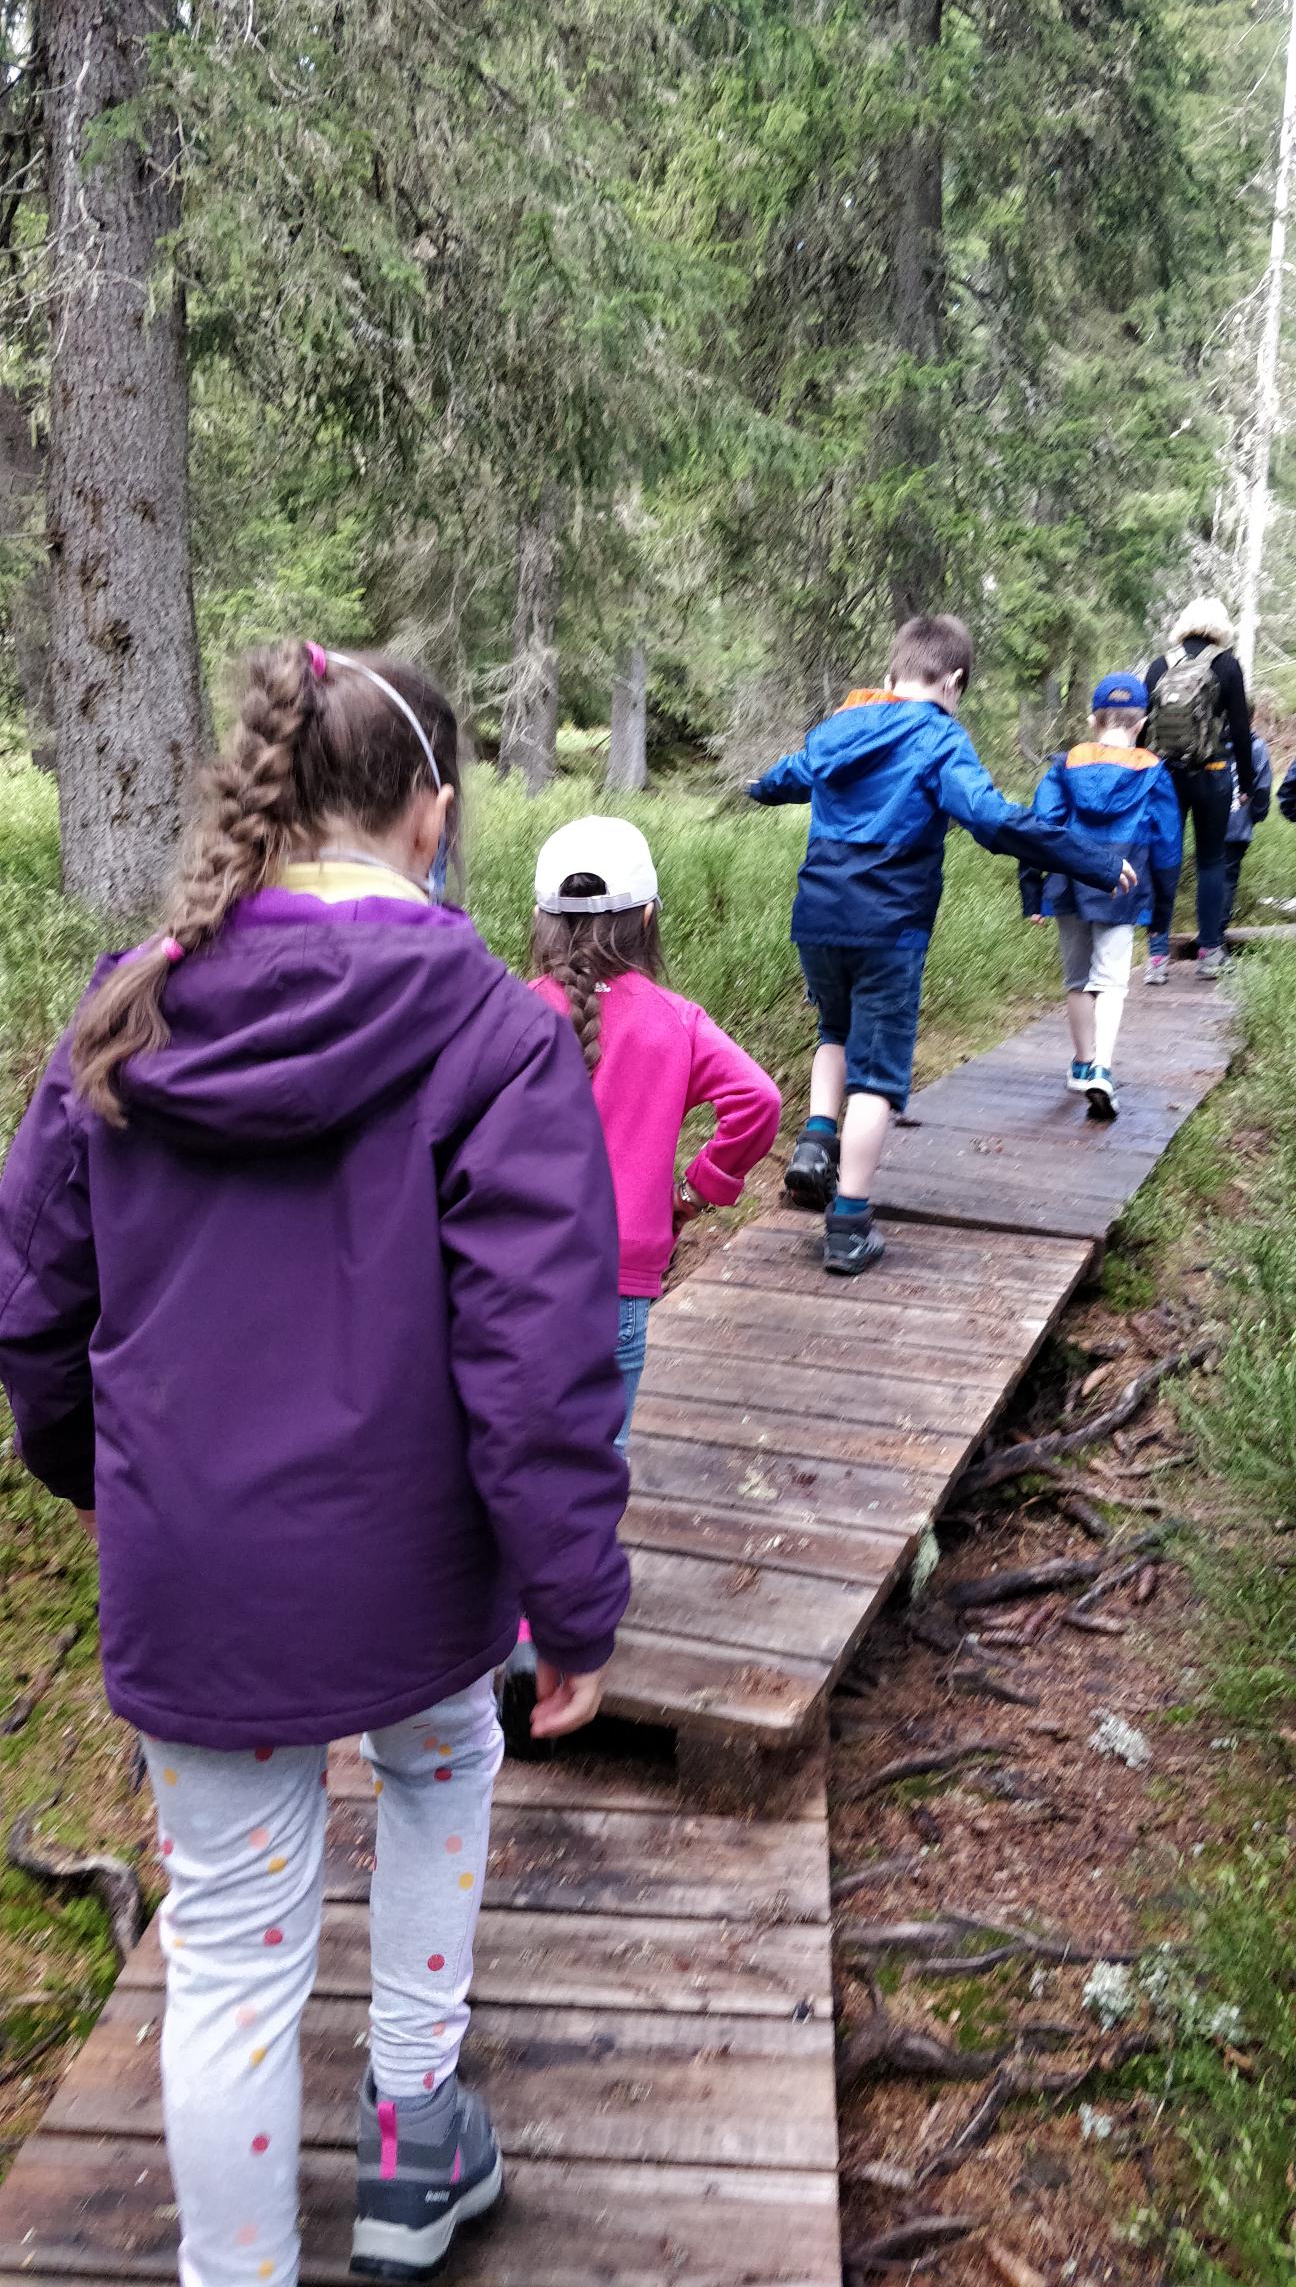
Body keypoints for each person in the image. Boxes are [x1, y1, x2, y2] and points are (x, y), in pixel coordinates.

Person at [0, 641, 631, 2287]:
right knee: (442, 1770)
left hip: (197, 1572)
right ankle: (418, 2140)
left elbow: (36, 1309)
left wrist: (116, 1487)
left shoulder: (124, 1005)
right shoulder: (497, 1028)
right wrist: (573, 1599)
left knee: (227, 1953)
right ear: (432, 815)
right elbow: (540, 1358)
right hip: (418, 1568)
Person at [497, 815, 783, 1754]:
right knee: (596, 1451)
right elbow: (760, 1101)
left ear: (541, 922)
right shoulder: (677, 1022)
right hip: (620, 1287)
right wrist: (699, 1193)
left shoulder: (508, 1015)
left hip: (517, 1285)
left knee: (510, 1441)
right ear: (651, 914)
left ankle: (505, 1626)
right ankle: (560, 1628)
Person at [746, 614, 1136, 1275]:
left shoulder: (842, 724)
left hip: (816, 917)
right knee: (876, 1075)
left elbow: (791, 774)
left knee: (833, 1032)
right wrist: (1087, 860)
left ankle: (815, 1142)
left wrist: (758, 787)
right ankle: (849, 1224)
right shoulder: (940, 739)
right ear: (954, 679)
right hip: (890, 929)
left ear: (892, 670)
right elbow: (989, 818)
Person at [1020, 672, 1181, 1120]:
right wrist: (1162, 911)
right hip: (1123, 882)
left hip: (1070, 879)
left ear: (1093, 720)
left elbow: (1039, 827)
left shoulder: (1063, 765)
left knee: (1077, 977)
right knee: (1110, 979)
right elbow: (1168, 844)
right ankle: (1103, 1071)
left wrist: (1033, 890)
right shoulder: (1153, 771)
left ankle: (1081, 1063)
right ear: (1142, 721)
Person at [1143, 596, 1254, 981]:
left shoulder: (1160, 666)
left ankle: (1157, 958)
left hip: (1166, 776)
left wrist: (1144, 778)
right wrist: (1248, 786)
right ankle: (1210, 952)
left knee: (1163, 861)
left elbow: (1144, 729)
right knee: (1211, 861)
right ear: (1220, 627)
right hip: (1214, 772)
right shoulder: (1227, 665)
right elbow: (1240, 729)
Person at [1220, 713, 1272, 937]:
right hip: (1238, 824)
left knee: (1210, 873)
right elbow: (1262, 787)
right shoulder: (1257, 747)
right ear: (1251, 718)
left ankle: (1209, 932)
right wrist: (1257, 815)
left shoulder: (1213, 743)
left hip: (1210, 822)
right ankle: (1215, 935)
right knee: (1228, 878)